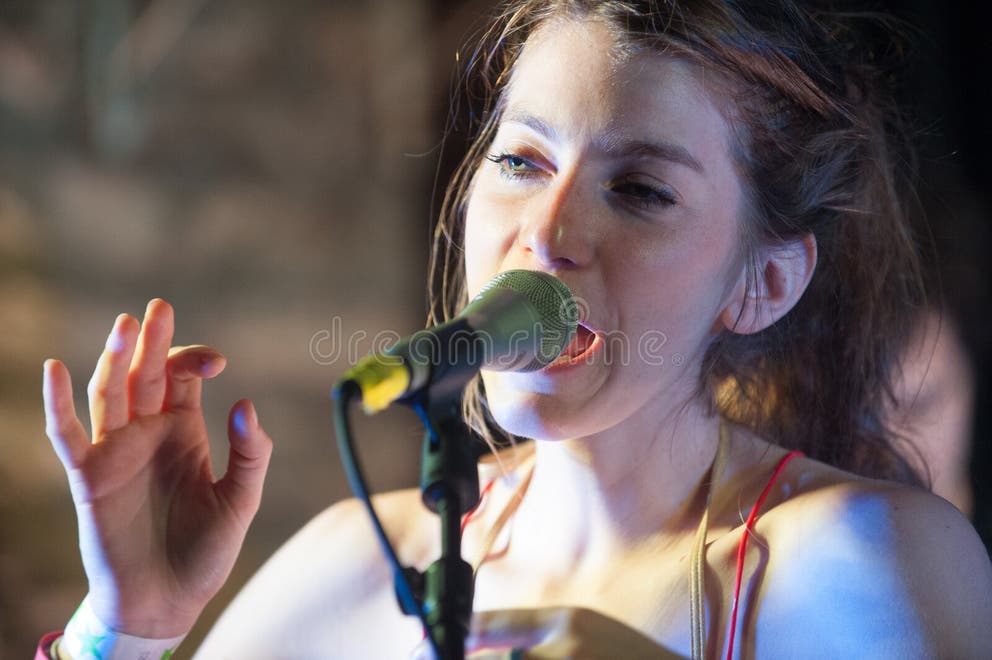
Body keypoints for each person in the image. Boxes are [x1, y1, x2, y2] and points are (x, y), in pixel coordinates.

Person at [39, 1, 992, 658]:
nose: (545, 234)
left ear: (765, 282)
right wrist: (130, 624)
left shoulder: (860, 555)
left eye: (641, 190)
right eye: (524, 161)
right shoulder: (373, 562)